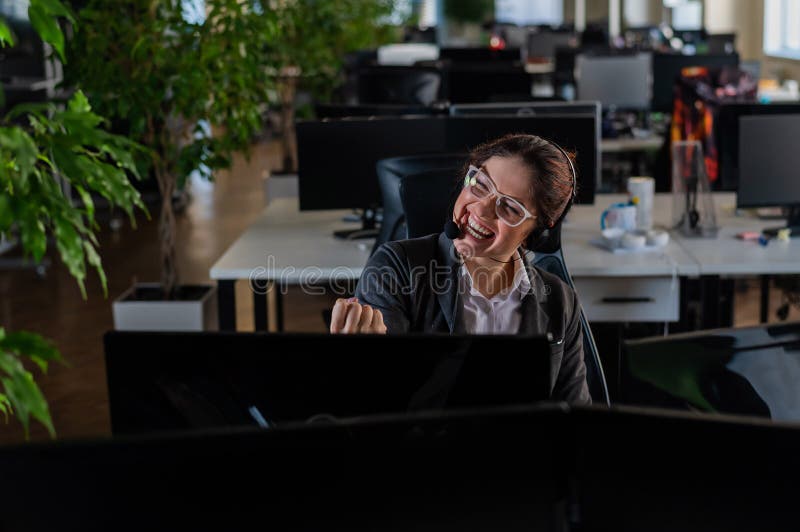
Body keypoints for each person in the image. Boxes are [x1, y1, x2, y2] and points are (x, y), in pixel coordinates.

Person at [330, 134, 590, 403]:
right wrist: (359, 365)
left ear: (535, 232)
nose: (481, 209)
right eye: (480, 184)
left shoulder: (560, 301)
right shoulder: (397, 268)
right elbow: (380, 403)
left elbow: (574, 419)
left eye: (510, 208)